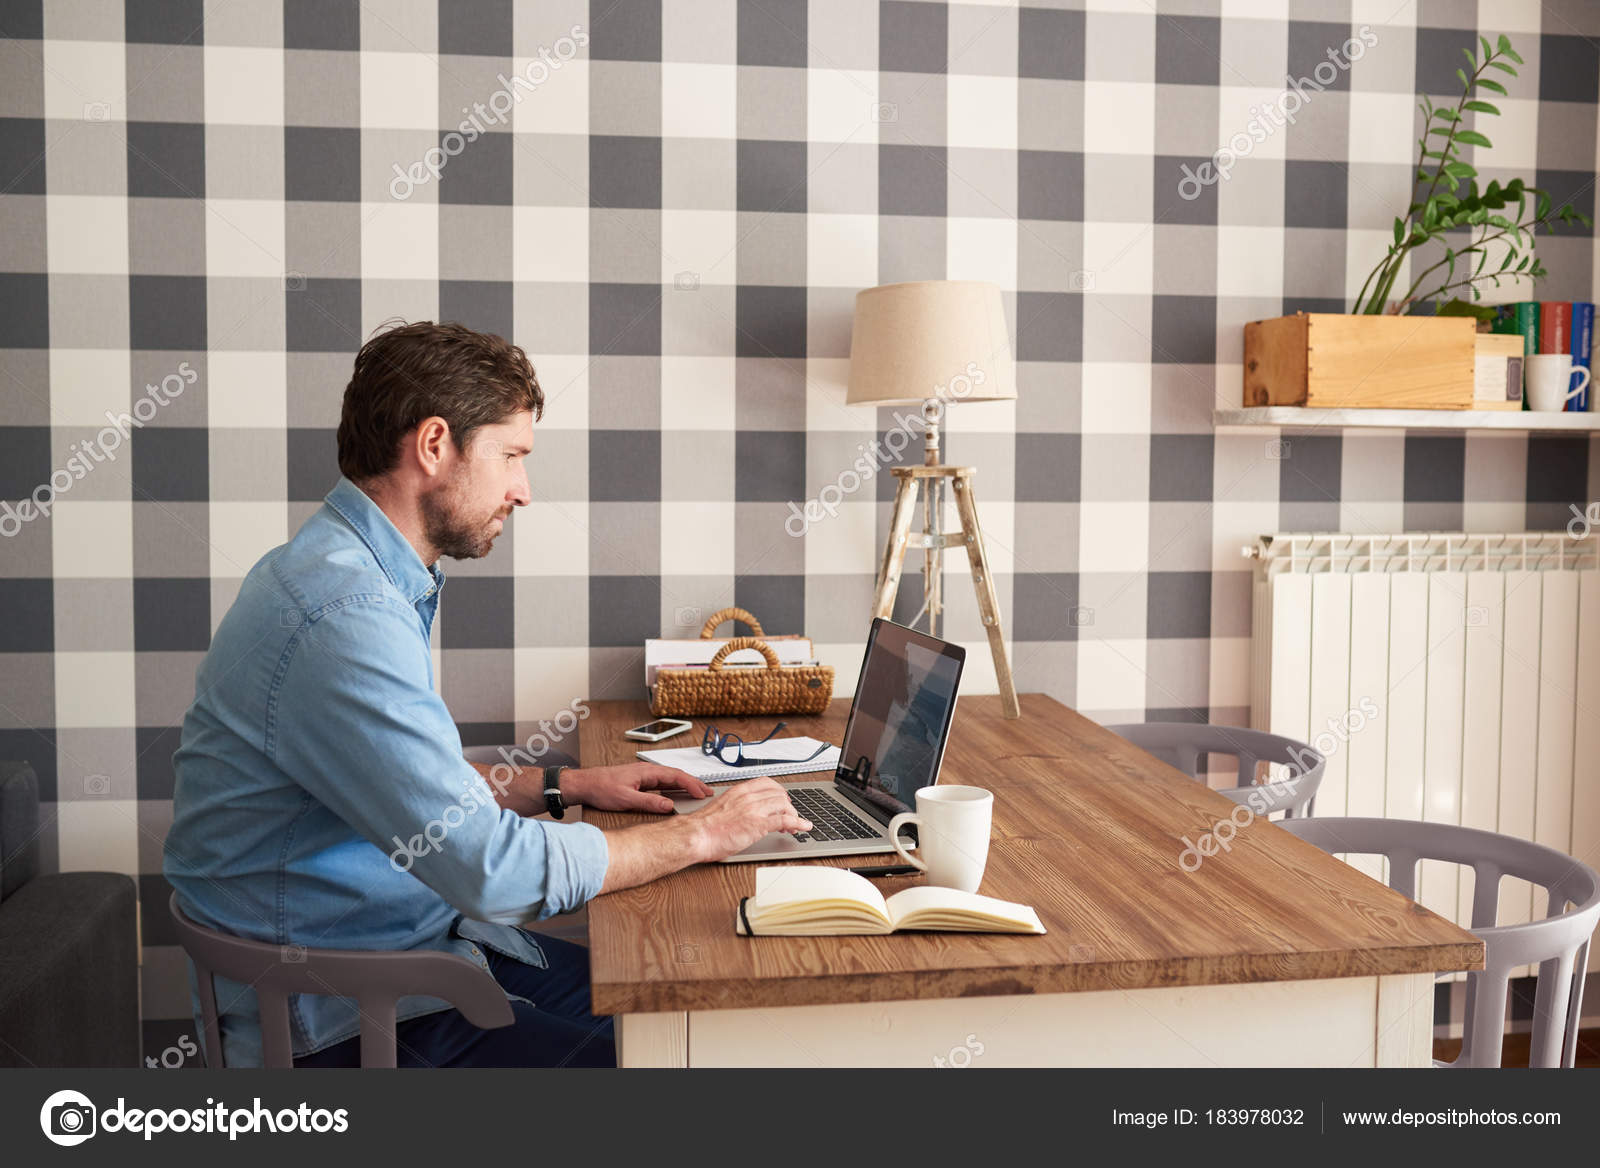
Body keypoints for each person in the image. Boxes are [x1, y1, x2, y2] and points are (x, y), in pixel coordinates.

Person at [164, 320, 811, 1067]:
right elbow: (490, 874)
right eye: (511, 456)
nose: (523, 492)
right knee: (686, 1051)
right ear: (435, 445)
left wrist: (561, 785)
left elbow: (407, 785)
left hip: (406, 955)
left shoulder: (337, 572)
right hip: (346, 1013)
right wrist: (700, 834)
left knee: (696, 1014)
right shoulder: (342, 613)